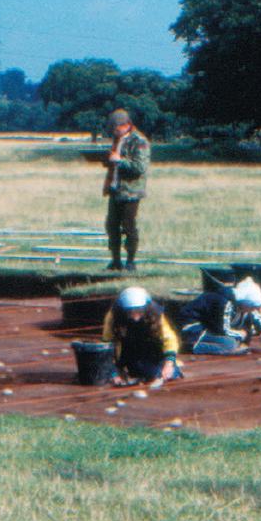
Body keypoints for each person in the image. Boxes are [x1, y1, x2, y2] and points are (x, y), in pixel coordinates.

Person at [178, 277, 261, 354]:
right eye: (254, 307)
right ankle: (188, 346)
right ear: (246, 302)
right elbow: (223, 329)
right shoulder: (225, 302)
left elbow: (258, 319)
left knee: (234, 341)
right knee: (229, 344)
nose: (255, 310)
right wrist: (240, 334)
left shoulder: (244, 305)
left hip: (208, 328)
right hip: (193, 327)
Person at [101, 108, 150, 271]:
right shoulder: (117, 140)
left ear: (127, 125)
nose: (114, 132)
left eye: (116, 128)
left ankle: (130, 261)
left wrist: (119, 160)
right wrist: (107, 160)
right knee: (111, 226)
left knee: (129, 226)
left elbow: (139, 167)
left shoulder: (139, 141)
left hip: (131, 192)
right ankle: (115, 261)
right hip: (115, 189)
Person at [102, 286, 180, 386]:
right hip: (129, 349)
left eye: (139, 311)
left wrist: (169, 363)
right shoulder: (113, 316)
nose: (135, 317)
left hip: (152, 349)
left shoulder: (156, 314)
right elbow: (107, 344)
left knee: (155, 373)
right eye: (130, 312)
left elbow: (169, 339)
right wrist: (113, 372)